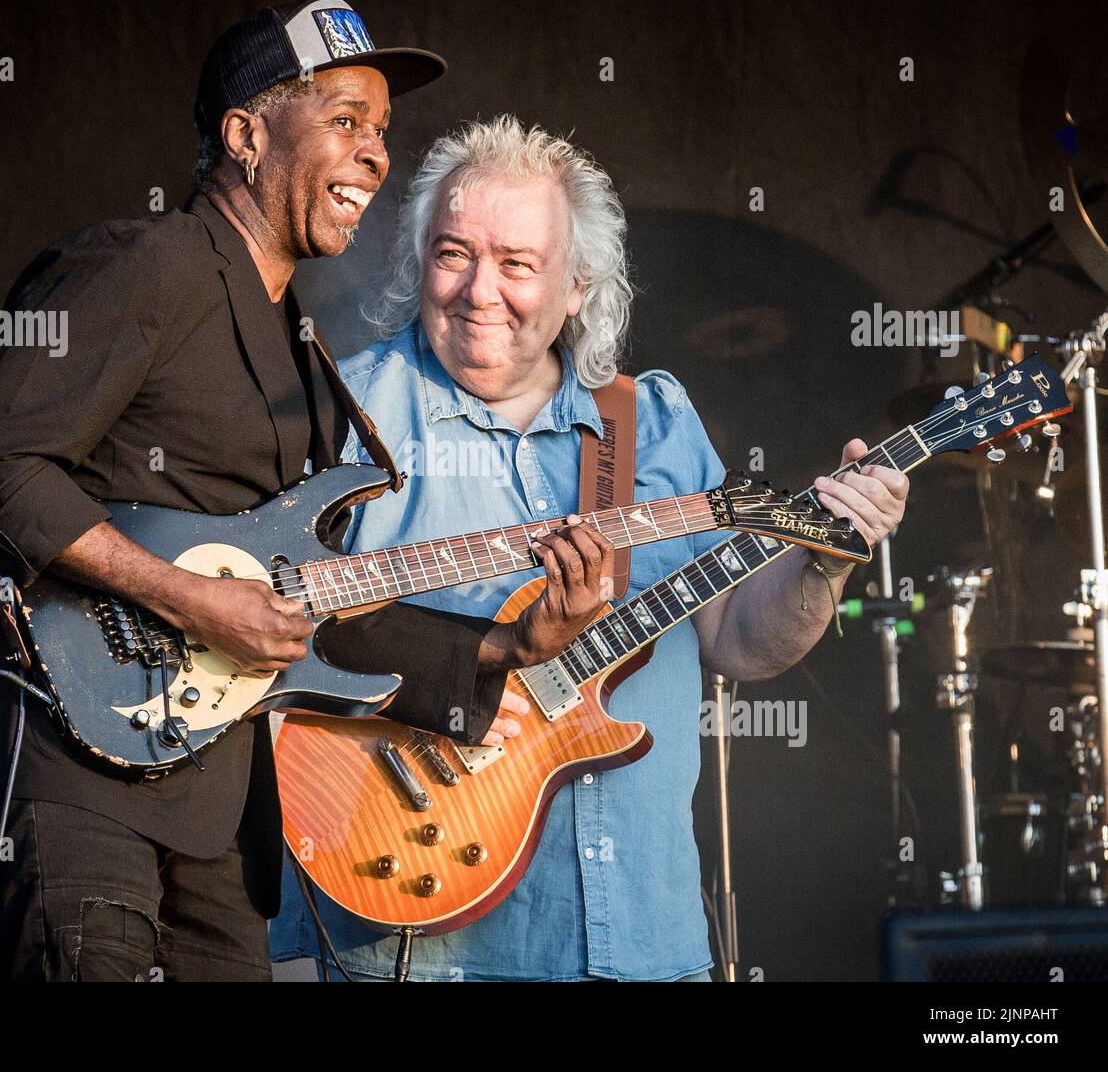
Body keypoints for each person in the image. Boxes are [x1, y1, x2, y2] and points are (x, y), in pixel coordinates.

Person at [0, 0, 610, 982]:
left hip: (218, 813)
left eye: (382, 132)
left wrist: (507, 646)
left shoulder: (303, 361)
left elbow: (308, 603)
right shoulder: (148, 265)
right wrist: (184, 594)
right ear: (244, 134)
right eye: (346, 119)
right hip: (76, 772)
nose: (373, 154)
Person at [270, 115, 909, 981]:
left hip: (647, 938)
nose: (477, 289)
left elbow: (737, 640)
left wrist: (823, 560)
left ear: (577, 286)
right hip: (427, 936)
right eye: (452, 253)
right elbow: (268, 633)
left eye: (517, 264)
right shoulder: (344, 416)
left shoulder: (648, 423)